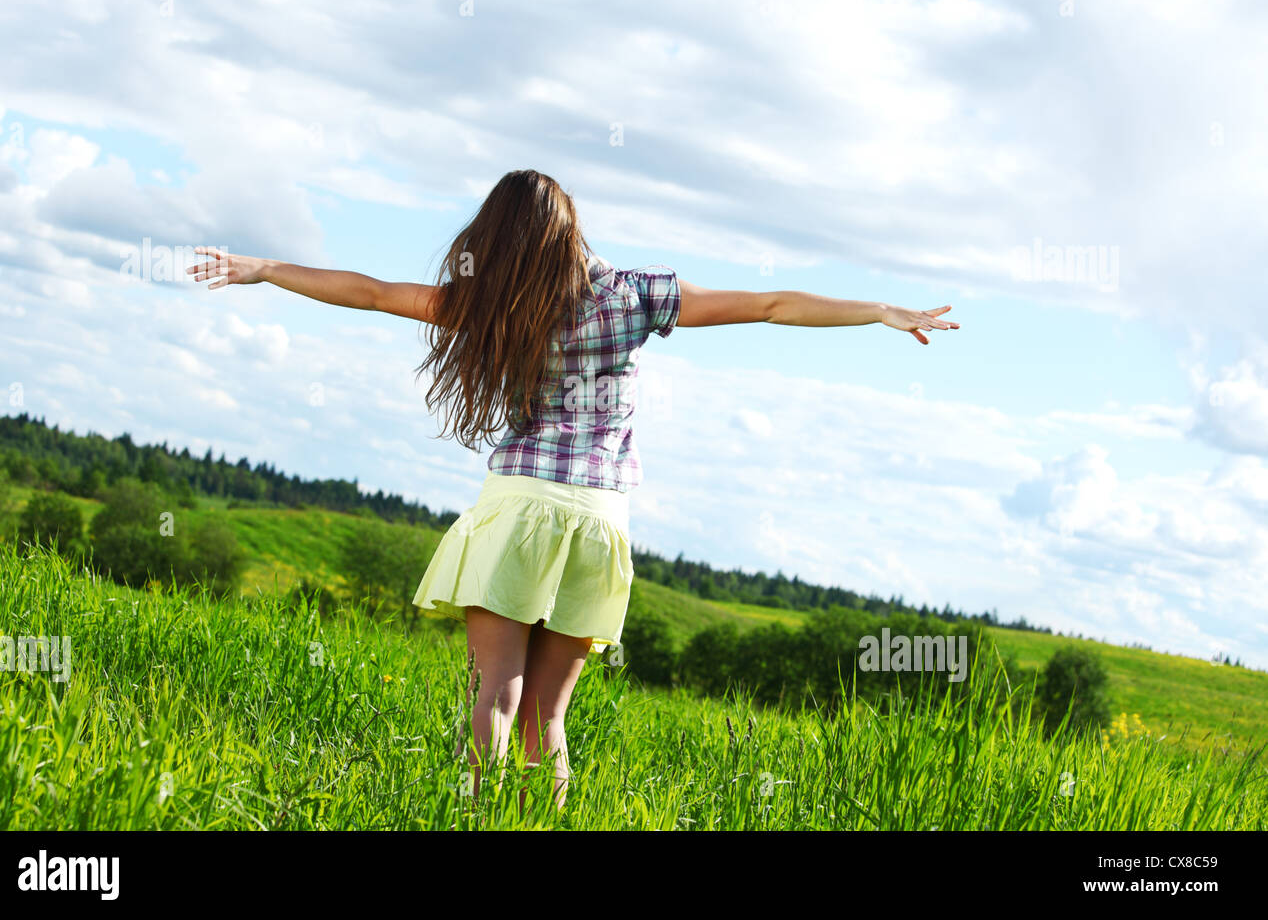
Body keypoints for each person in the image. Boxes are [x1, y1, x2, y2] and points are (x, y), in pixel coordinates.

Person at [191, 168, 959, 810]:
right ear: (571, 233)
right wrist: (878, 312)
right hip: (598, 520)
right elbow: (767, 305)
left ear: (493, 239)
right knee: (547, 719)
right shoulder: (631, 296)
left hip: (520, 503)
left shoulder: (489, 307)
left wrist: (264, 270)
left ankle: (475, 820)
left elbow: (367, 290)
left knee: (495, 694)